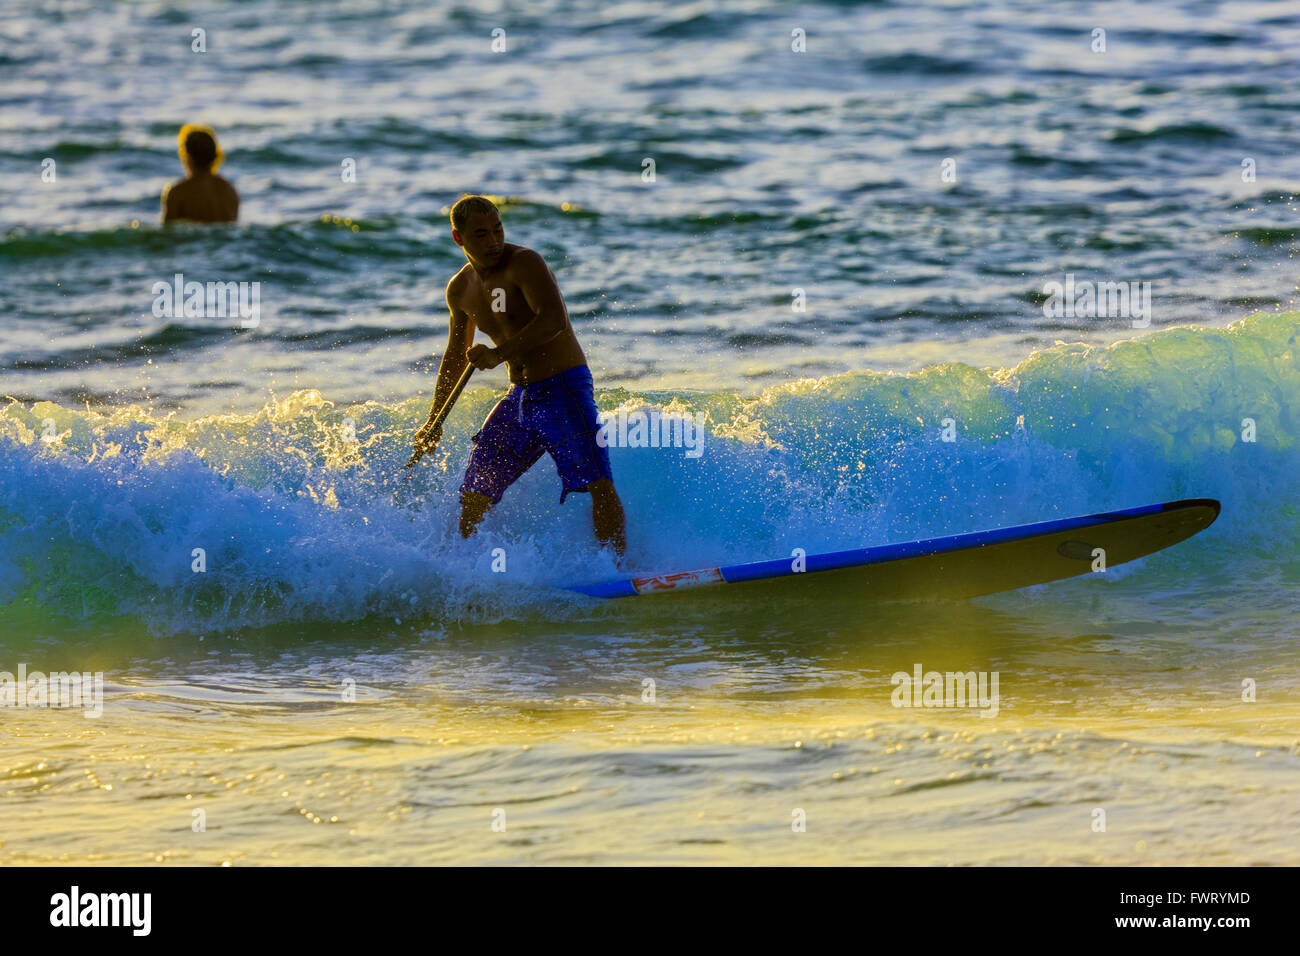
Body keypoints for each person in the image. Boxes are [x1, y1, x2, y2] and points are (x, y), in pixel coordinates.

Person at [413, 195, 626, 558]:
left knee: (598, 483)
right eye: (481, 235)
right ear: (458, 238)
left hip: (563, 386)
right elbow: (452, 356)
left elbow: (552, 321)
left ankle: (619, 571)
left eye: (498, 230)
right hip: (521, 397)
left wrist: (497, 354)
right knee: (475, 492)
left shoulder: (524, 263)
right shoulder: (460, 289)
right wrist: (434, 421)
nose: (494, 241)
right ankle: (462, 574)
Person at [162, 125, 238, 224]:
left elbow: (167, 234)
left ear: (187, 156)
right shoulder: (230, 191)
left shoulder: (178, 193)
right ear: (215, 155)